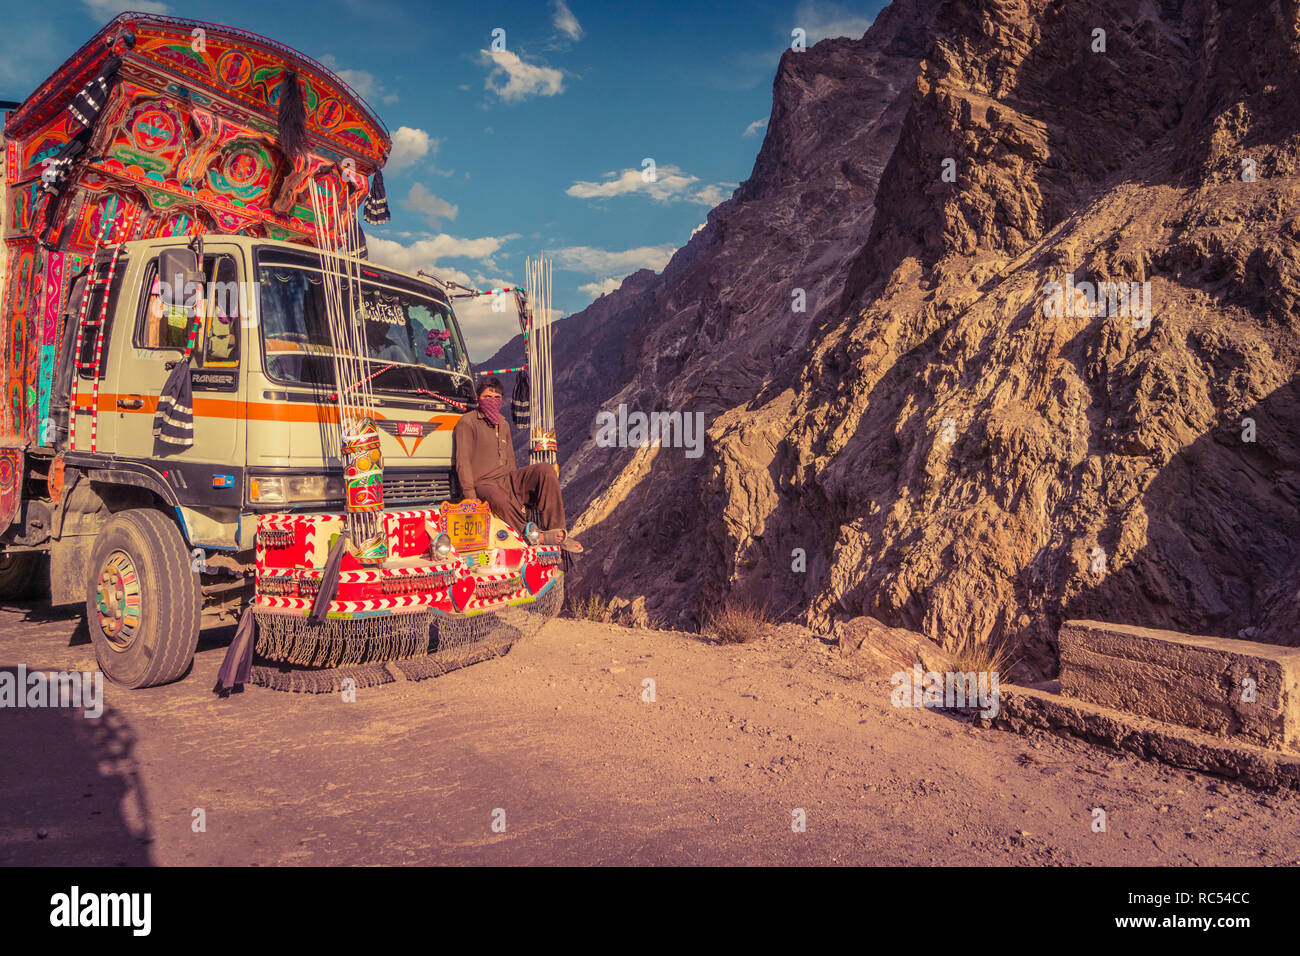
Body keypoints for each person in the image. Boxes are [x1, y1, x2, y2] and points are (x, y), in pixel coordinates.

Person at [453, 377, 583, 553]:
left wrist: (516, 491)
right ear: (478, 398)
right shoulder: (467, 422)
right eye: (487, 396)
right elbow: (463, 462)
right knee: (497, 497)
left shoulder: (503, 423)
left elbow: (510, 460)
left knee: (545, 469)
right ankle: (531, 534)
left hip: (506, 479)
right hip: (483, 483)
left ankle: (556, 531)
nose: (492, 400)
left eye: (496, 397)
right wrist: (470, 496)